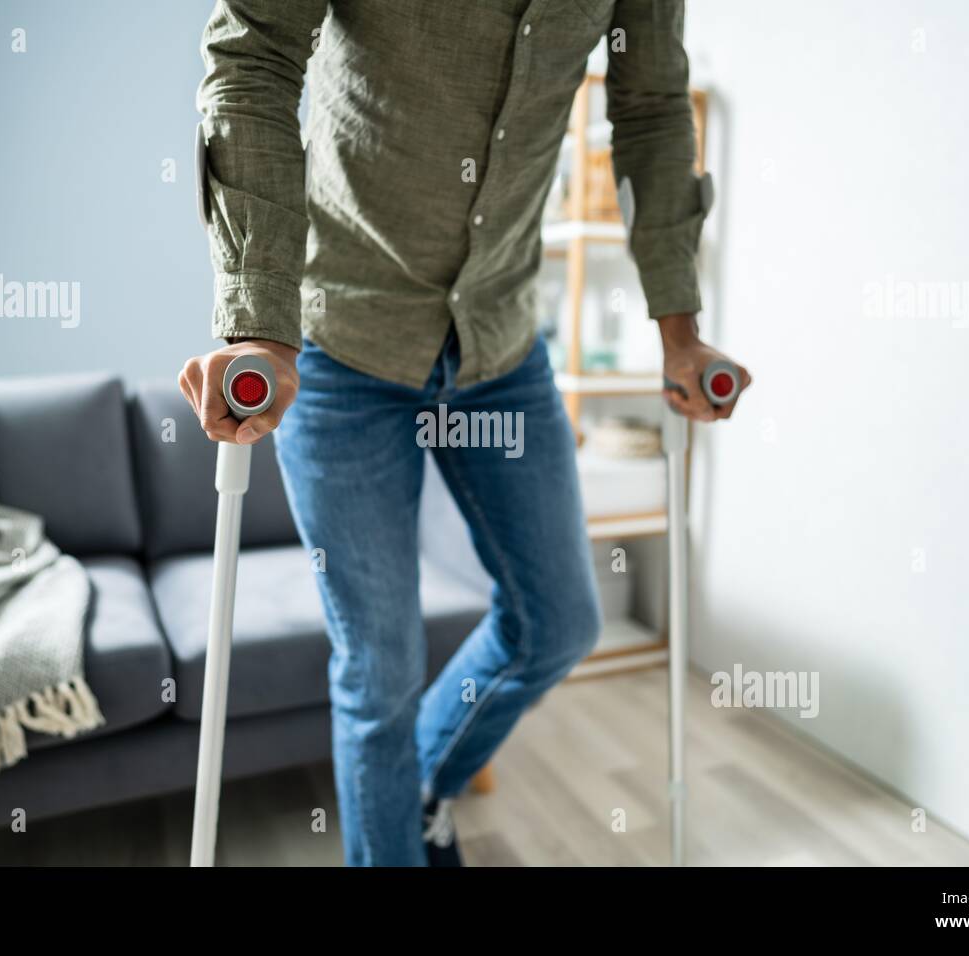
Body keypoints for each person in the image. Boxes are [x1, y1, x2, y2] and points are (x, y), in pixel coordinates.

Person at [177, 0, 750, 867]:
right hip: (340, 338)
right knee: (380, 673)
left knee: (557, 623)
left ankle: (408, 801)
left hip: (499, 342)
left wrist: (678, 327)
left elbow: (652, 107)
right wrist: (259, 322)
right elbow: (253, 58)